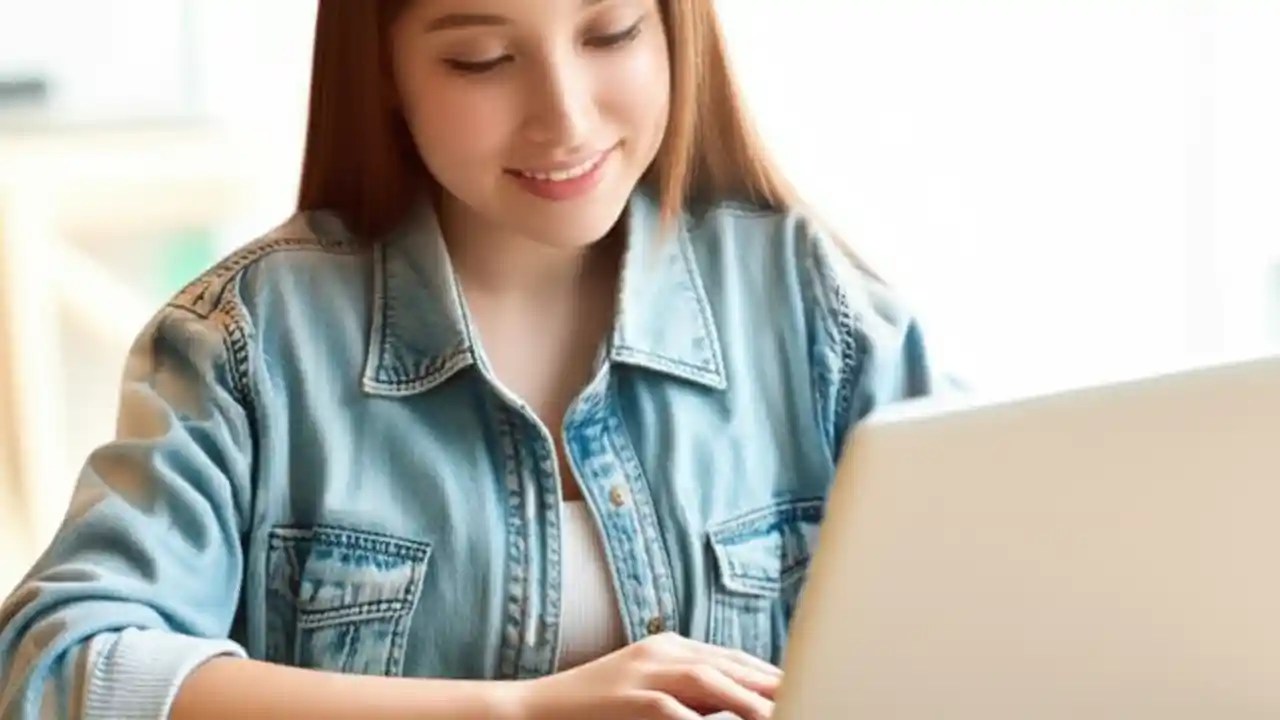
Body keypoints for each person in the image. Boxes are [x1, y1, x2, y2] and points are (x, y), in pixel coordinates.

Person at [0, 0, 938, 718]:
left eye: (609, 33)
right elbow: (57, 666)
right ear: (386, 72)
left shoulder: (813, 305)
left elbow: (986, 601)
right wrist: (514, 710)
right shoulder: (248, 346)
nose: (565, 118)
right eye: (482, 58)